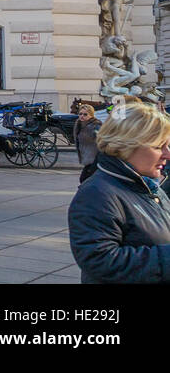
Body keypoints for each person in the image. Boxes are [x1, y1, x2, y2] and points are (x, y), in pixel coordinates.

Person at [68, 100, 170, 283]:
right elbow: (100, 261)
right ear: (126, 146)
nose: (168, 154)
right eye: (158, 146)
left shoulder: (147, 184)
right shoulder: (96, 194)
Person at [75, 104, 102, 183]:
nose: (82, 116)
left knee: (84, 179)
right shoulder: (79, 126)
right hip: (87, 159)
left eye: (85, 114)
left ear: (91, 115)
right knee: (86, 180)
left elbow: (102, 141)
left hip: (96, 159)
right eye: (80, 114)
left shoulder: (95, 126)